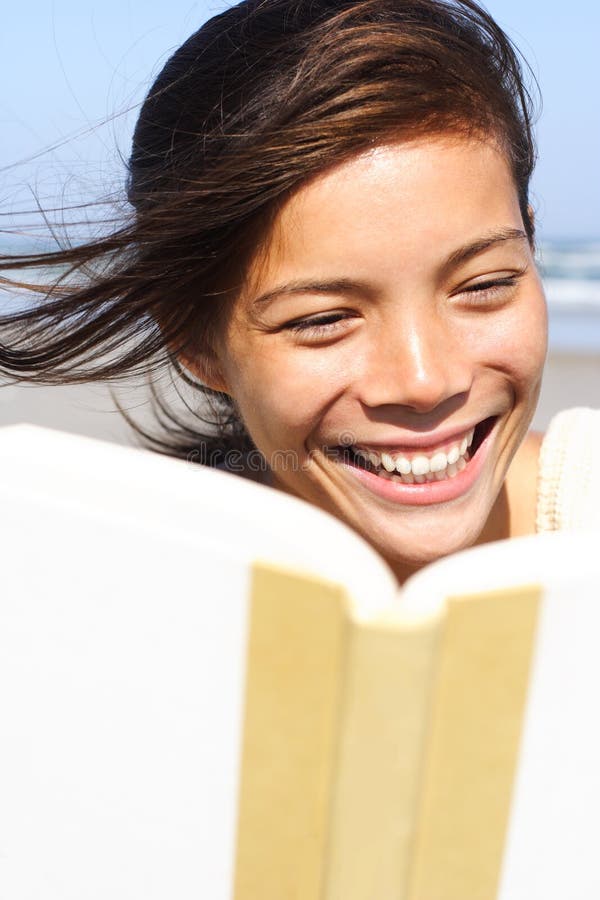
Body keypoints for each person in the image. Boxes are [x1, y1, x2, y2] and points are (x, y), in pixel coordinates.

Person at [0, 0, 598, 583]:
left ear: (531, 244)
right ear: (194, 340)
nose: (424, 381)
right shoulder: (105, 583)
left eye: (485, 285)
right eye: (323, 320)